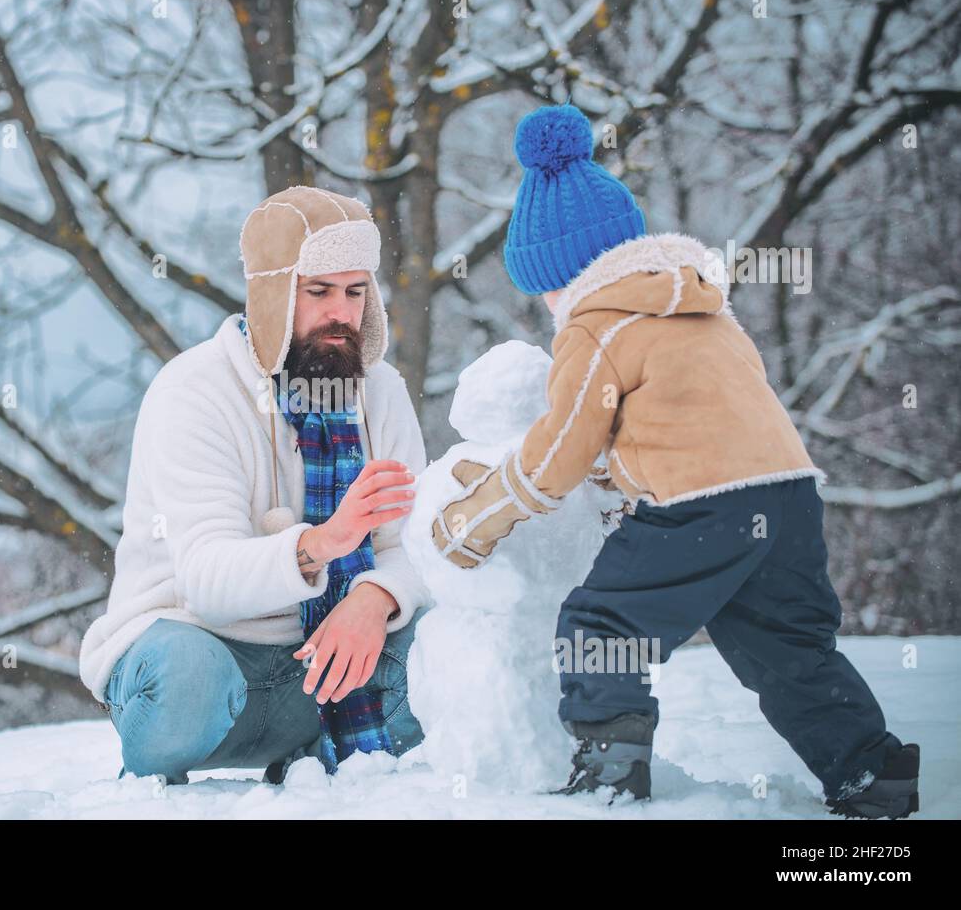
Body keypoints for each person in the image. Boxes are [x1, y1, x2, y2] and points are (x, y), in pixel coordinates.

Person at [430, 104, 919, 818]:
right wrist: (622, 476)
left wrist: (480, 514)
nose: (547, 309)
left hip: (704, 502)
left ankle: (609, 768)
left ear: (562, 275)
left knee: (602, 625)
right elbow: (689, 420)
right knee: (786, 648)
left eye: (545, 291)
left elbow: (557, 456)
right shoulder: (705, 309)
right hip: (788, 494)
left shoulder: (595, 324)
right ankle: (870, 773)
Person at [79, 185, 431, 786]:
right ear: (272, 293)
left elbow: (418, 549)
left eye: (355, 292)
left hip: (317, 673)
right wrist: (322, 543)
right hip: (199, 653)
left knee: (444, 642)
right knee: (190, 676)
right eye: (317, 291)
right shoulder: (194, 390)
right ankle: (156, 772)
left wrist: (373, 601)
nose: (341, 314)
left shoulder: (383, 393)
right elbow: (206, 582)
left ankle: (311, 761)